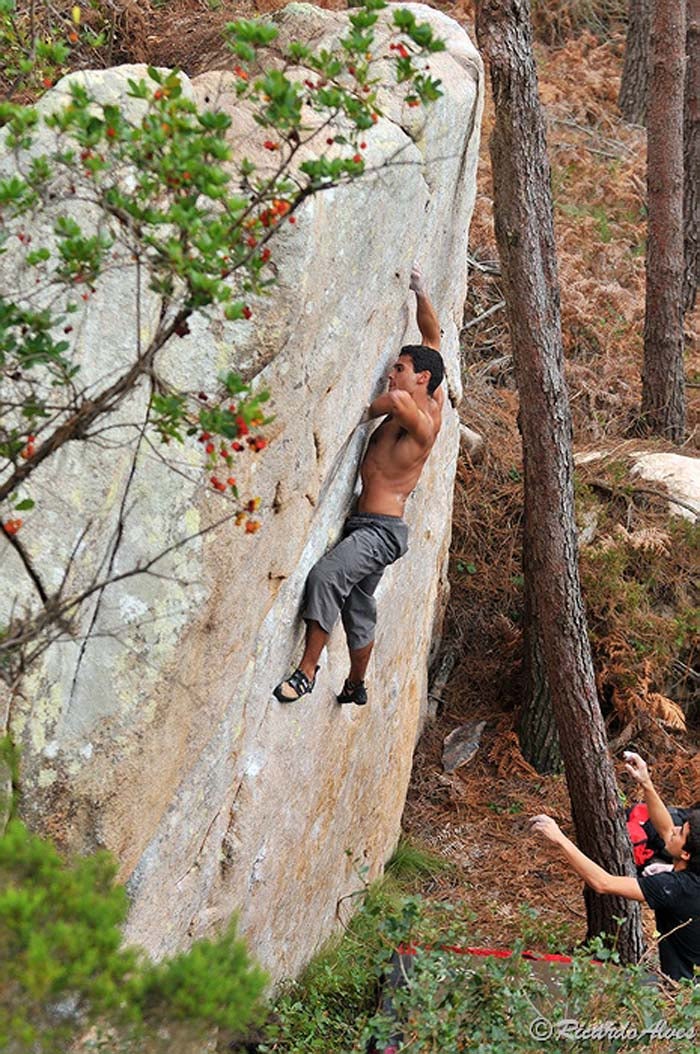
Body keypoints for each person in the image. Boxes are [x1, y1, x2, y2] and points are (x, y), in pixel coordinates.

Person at [273, 265, 444, 707]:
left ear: (421, 378)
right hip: (374, 528)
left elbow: (394, 402)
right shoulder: (432, 383)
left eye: (400, 368)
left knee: (328, 576)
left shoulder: (423, 423)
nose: (392, 373)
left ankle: (306, 672)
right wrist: (420, 292)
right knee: (358, 606)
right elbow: (433, 336)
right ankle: (355, 684)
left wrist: (366, 409)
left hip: (378, 531)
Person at [530, 751, 700, 982]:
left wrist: (560, 838)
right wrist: (645, 782)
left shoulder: (674, 888)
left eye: (682, 832)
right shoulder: (689, 871)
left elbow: (602, 883)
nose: (675, 829)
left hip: (685, 994)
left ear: (686, 854)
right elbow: (667, 831)